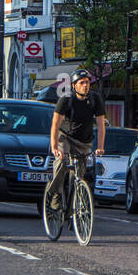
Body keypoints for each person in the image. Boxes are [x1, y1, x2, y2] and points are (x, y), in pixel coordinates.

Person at [47, 69, 105, 210]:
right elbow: (55, 124)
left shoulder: (95, 99)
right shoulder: (66, 99)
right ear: (74, 85)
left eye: (87, 82)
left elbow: (101, 124)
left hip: (83, 141)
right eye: (82, 83)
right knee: (62, 162)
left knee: (79, 175)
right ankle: (54, 193)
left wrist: (100, 147)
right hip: (65, 137)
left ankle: (75, 208)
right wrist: (54, 147)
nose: (85, 85)